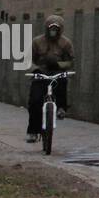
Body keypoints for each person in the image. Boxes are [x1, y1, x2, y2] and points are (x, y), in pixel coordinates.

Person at [26, 14, 74, 143]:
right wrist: (35, 69)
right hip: (41, 73)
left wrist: (59, 65)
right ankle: (32, 131)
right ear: (46, 28)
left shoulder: (66, 43)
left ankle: (61, 108)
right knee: (35, 101)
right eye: (51, 28)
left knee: (62, 83)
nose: (53, 31)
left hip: (56, 73)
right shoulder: (37, 42)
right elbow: (29, 60)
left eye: (56, 29)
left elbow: (70, 61)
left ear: (60, 29)